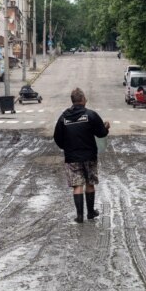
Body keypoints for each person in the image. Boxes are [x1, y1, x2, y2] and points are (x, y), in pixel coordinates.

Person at [54, 88, 110, 223]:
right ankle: (90, 213)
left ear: (73, 101)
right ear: (83, 100)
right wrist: (106, 127)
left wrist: (66, 147)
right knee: (90, 183)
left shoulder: (63, 118)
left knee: (77, 186)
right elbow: (101, 134)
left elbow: (57, 137)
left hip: (72, 158)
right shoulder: (90, 115)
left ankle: (79, 216)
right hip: (89, 156)